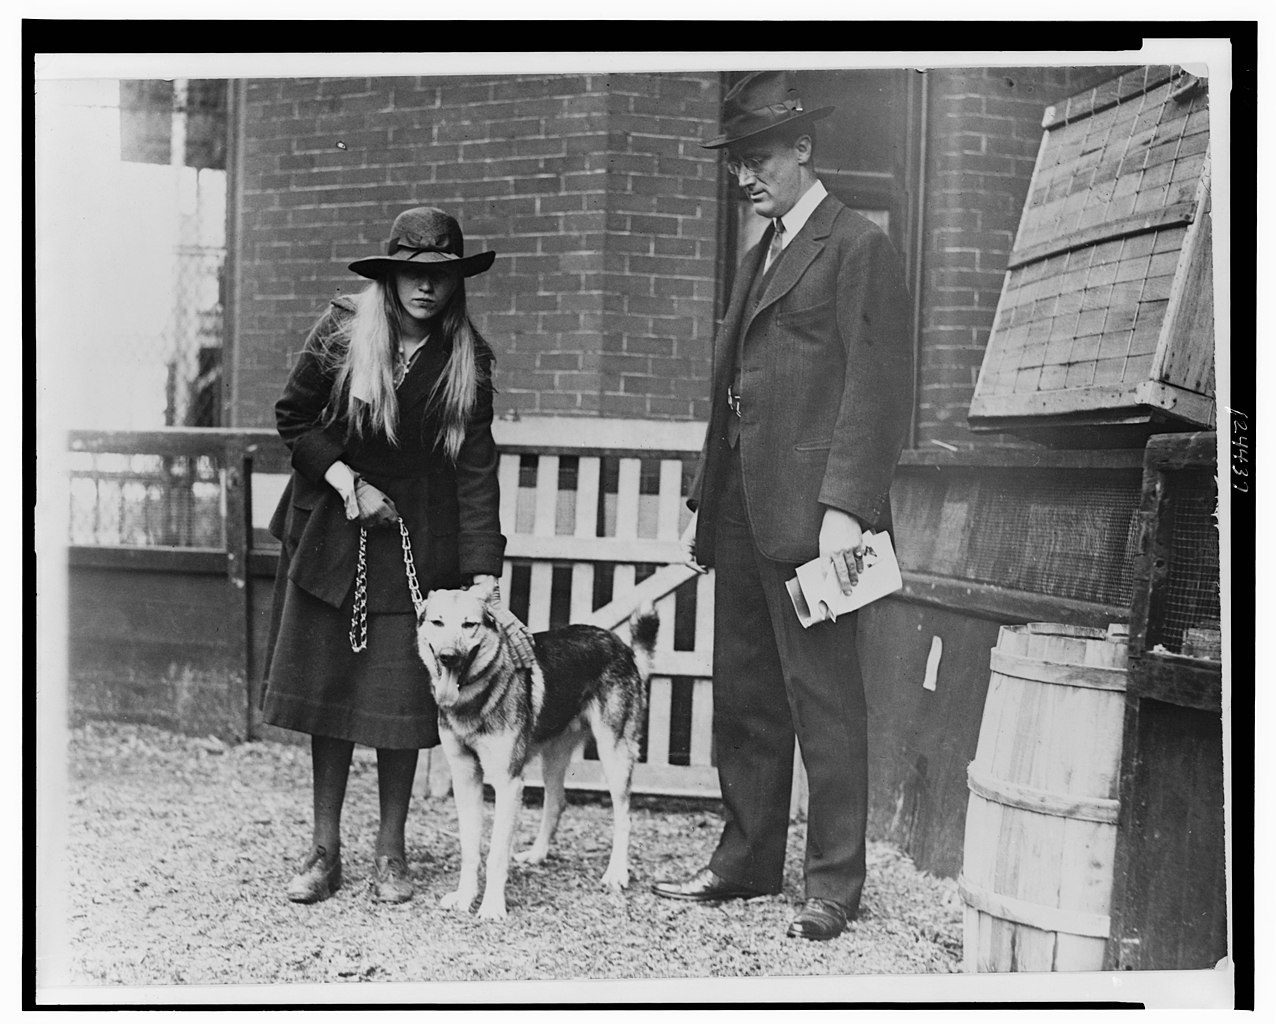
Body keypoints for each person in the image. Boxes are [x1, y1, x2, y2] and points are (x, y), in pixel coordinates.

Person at [651, 71, 914, 941]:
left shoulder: (856, 246)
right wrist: (704, 498)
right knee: (749, 694)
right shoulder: (762, 248)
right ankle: (748, 858)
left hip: (816, 518)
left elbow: (877, 389)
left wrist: (847, 507)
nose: (745, 178)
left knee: (825, 699)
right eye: (737, 166)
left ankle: (834, 882)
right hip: (741, 509)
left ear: (804, 148)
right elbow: (732, 386)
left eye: (758, 160)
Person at [261, 207, 506, 904]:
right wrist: (346, 482)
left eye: (443, 276)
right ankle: (323, 851)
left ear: (457, 281)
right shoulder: (342, 329)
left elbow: (476, 466)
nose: (426, 288)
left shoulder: (468, 358)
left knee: (401, 698)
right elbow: (294, 417)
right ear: (391, 275)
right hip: (333, 530)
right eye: (413, 273)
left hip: (416, 540)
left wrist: (482, 563)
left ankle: (391, 854)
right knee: (333, 692)